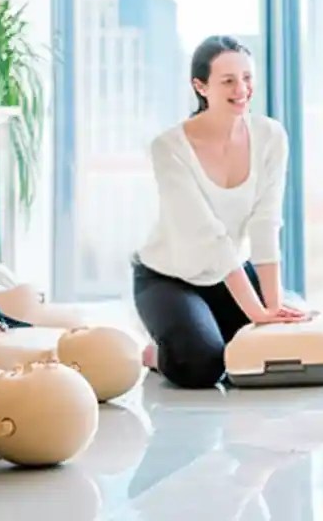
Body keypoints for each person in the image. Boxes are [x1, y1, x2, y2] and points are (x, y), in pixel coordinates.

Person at [132, 36, 304, 389]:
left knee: (277, 342)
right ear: (200, 86)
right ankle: (154, 355)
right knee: (202, 365)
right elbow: (210, 237)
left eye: (247, 78)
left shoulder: (271, 136)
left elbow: (265, 223)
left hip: (229, 276)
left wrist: (270, 310)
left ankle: (217, 326)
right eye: (228, 81)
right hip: (169, 279)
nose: (241, 89)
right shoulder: (169, 148)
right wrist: (256, 313)